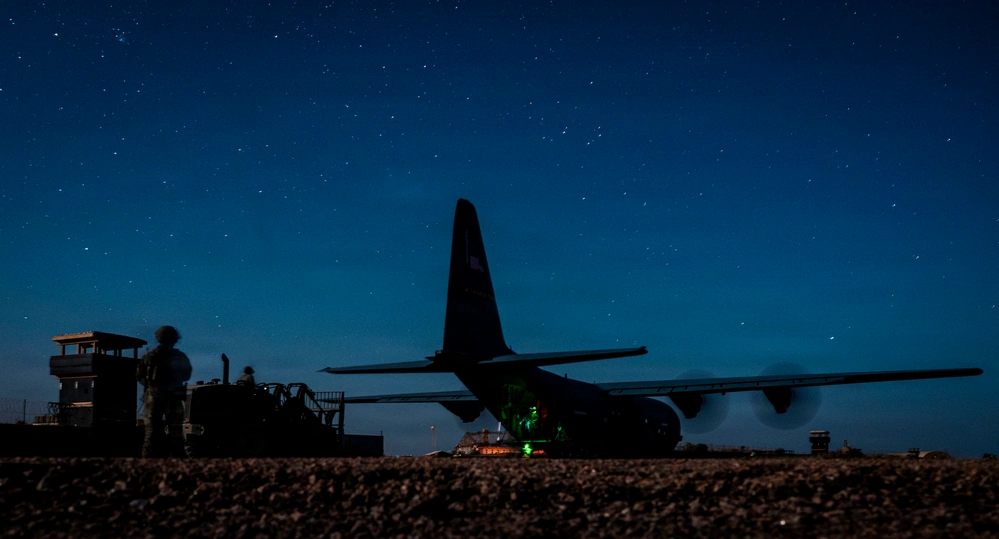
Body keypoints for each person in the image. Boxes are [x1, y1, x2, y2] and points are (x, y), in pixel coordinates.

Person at [136, 325, 192, 458]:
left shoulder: (149, 356)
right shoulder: (179, 356)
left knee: (151, 434)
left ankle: (147, 465)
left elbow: (139, 376)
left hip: (153, 396)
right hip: (174, 396)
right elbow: (186, 375)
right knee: (176, 432)